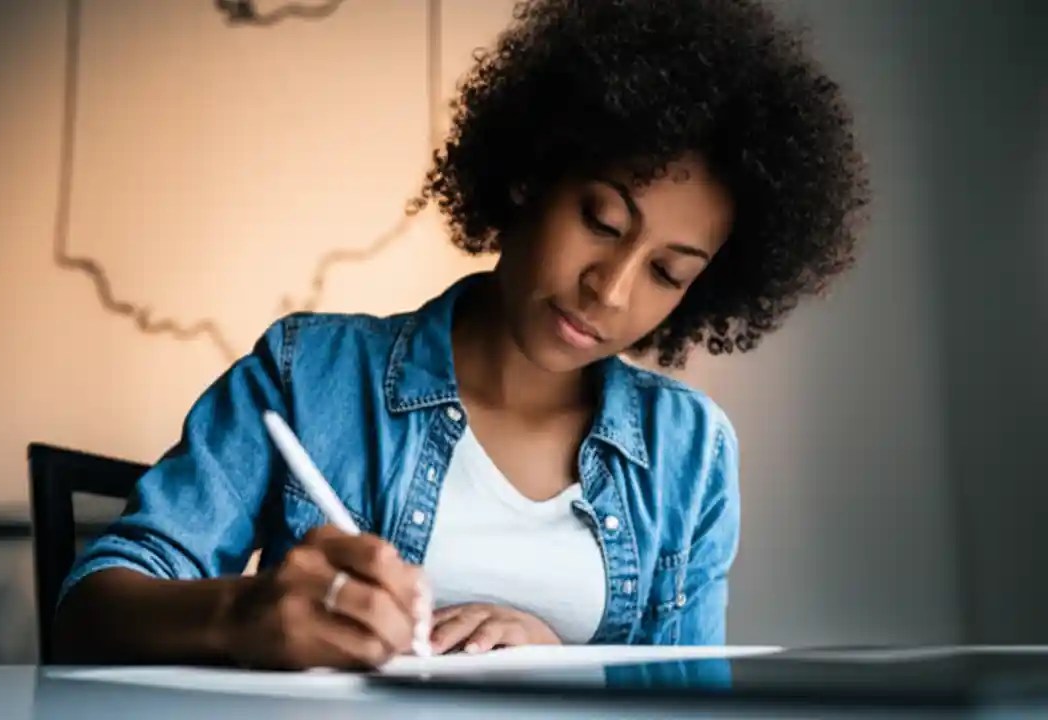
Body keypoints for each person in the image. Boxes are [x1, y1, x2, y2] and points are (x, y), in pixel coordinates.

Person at [54, 0, 868, 669]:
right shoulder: (309, 374)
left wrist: (560, 668)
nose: (611, 290)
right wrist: (240, 616)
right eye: (601, 219)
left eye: (669, 273)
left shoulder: (690, 451)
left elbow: (690, 700)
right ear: (527, 175)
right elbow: (89, 609)